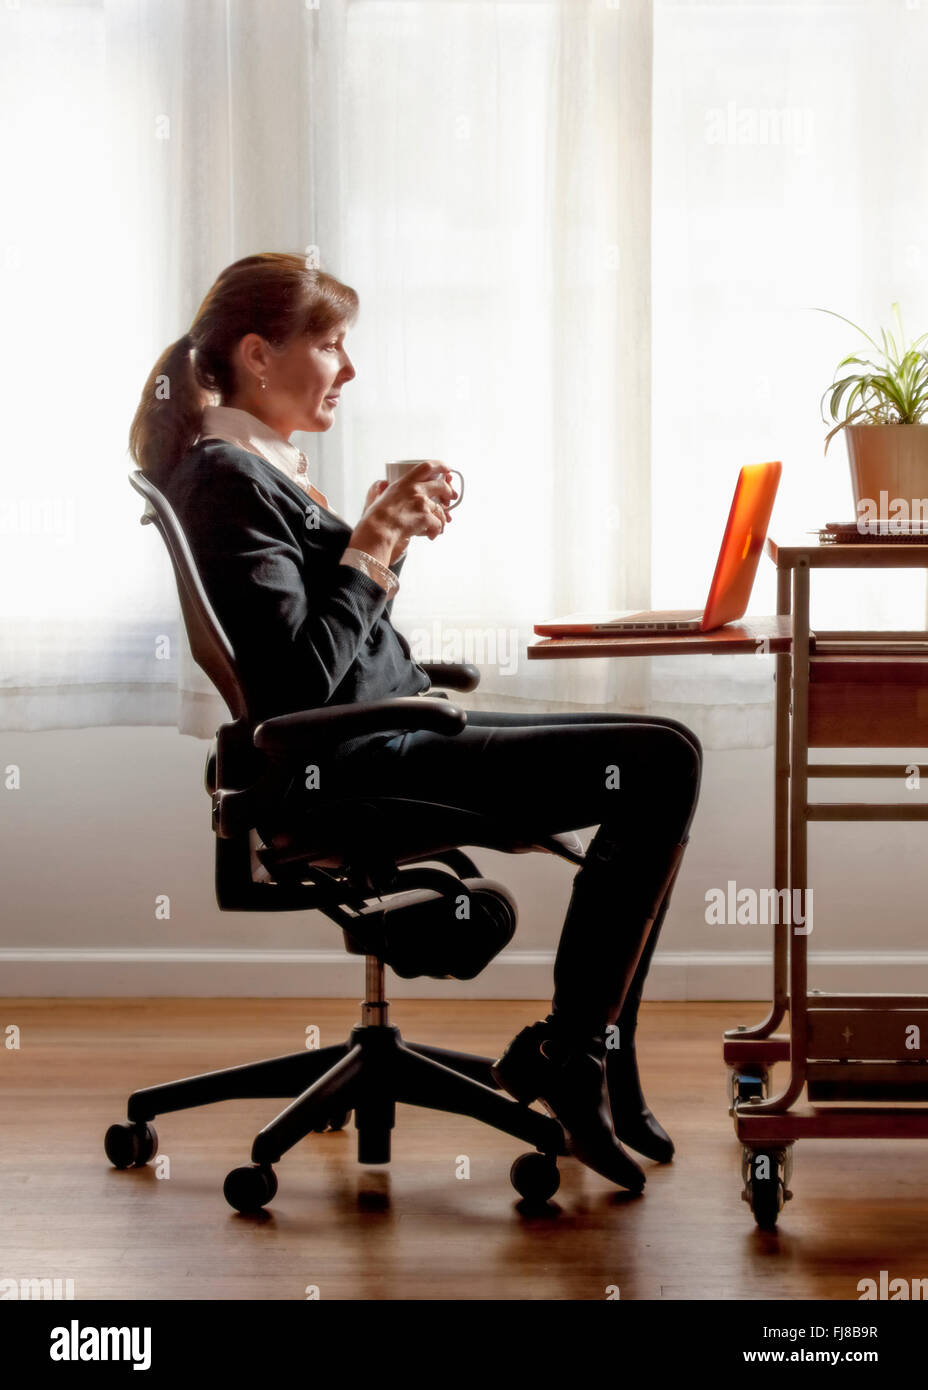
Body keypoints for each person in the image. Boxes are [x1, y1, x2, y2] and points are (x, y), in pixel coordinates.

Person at [128, 251, 702, 1194]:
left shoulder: (260, 473)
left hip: (390, 737)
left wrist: (377, 542)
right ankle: (574, 1056)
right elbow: (293, 697)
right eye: (332, 344)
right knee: (660, 762)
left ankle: (594, 1053)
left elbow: (333, 649)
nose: (348, 370)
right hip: (353, 765)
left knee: (659, 753)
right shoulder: (226, 480)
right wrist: (375, 542)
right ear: (259, 355)